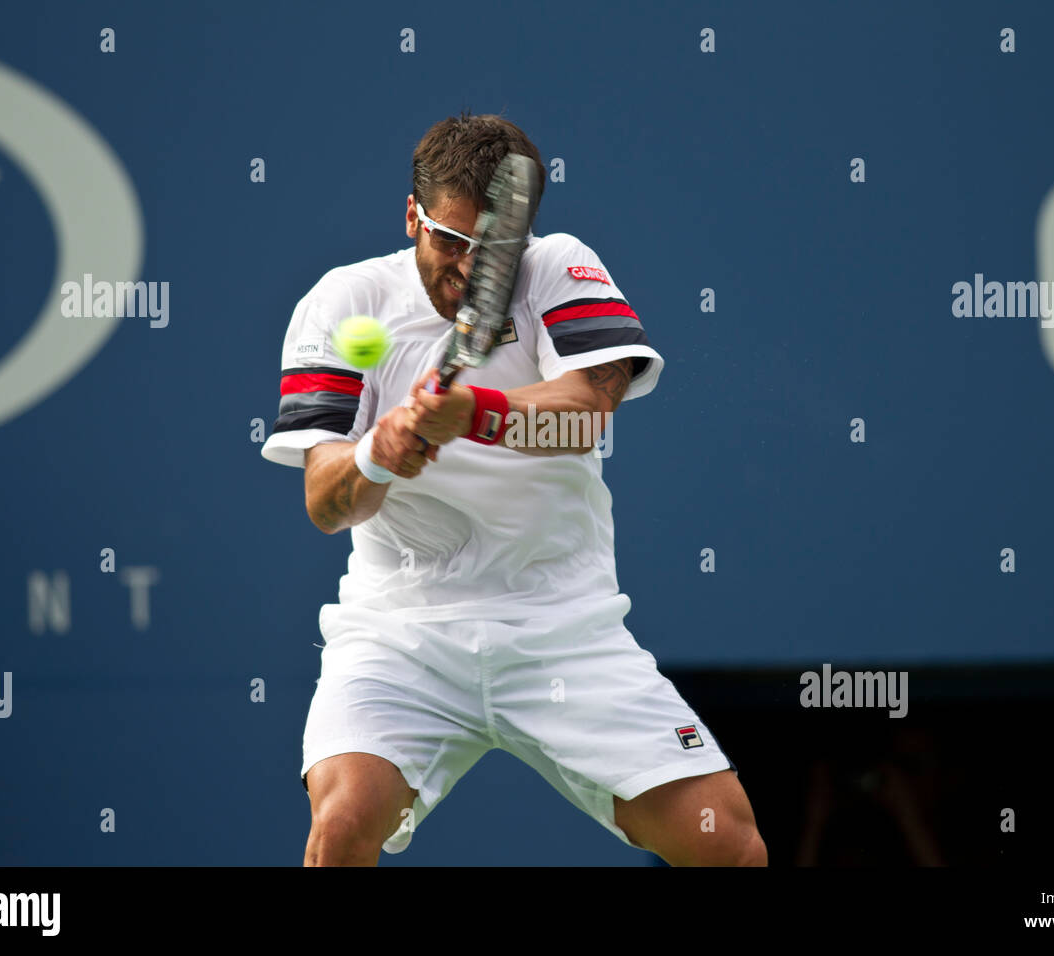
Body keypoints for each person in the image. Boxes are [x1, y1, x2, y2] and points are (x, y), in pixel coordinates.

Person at [261, 111, 766, 866]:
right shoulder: (343, 303)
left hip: (561, 624)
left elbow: (590, 411)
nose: (467, 270)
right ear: (411, 216)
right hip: (402, 634)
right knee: (340, 830)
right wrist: (377, 454)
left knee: (727, 842)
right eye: (448, 242)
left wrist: (475, 413)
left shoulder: (557, 266)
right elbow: (327, 505)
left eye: (489, 249)